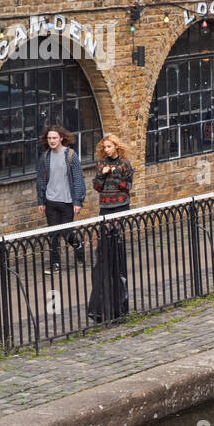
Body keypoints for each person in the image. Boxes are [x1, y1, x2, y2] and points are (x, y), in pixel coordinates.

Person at [88, 134, 133, 322]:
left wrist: (114, 174)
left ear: (116, 147)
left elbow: (127, 186)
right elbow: (97, 186)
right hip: (105, 206)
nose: (106, 150)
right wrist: (103, 174)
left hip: (120, 205)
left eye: (109, 146)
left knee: (118, 239)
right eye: (104, 147)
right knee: (105, 240)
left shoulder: (124, 164)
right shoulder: (101, 164)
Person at [35, 124, 86, 273]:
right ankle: (55, 264)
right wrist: (41, 200)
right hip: (51, 201)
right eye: (49, 138)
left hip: (67, 201)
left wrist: (78, 201)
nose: (52, 140)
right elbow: (41, 180)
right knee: (53, 235)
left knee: (66, 232)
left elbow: (78, 179)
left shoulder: (71, 155)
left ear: (61, 138)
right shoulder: (45, 157)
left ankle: (77, 245)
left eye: (55, 138)